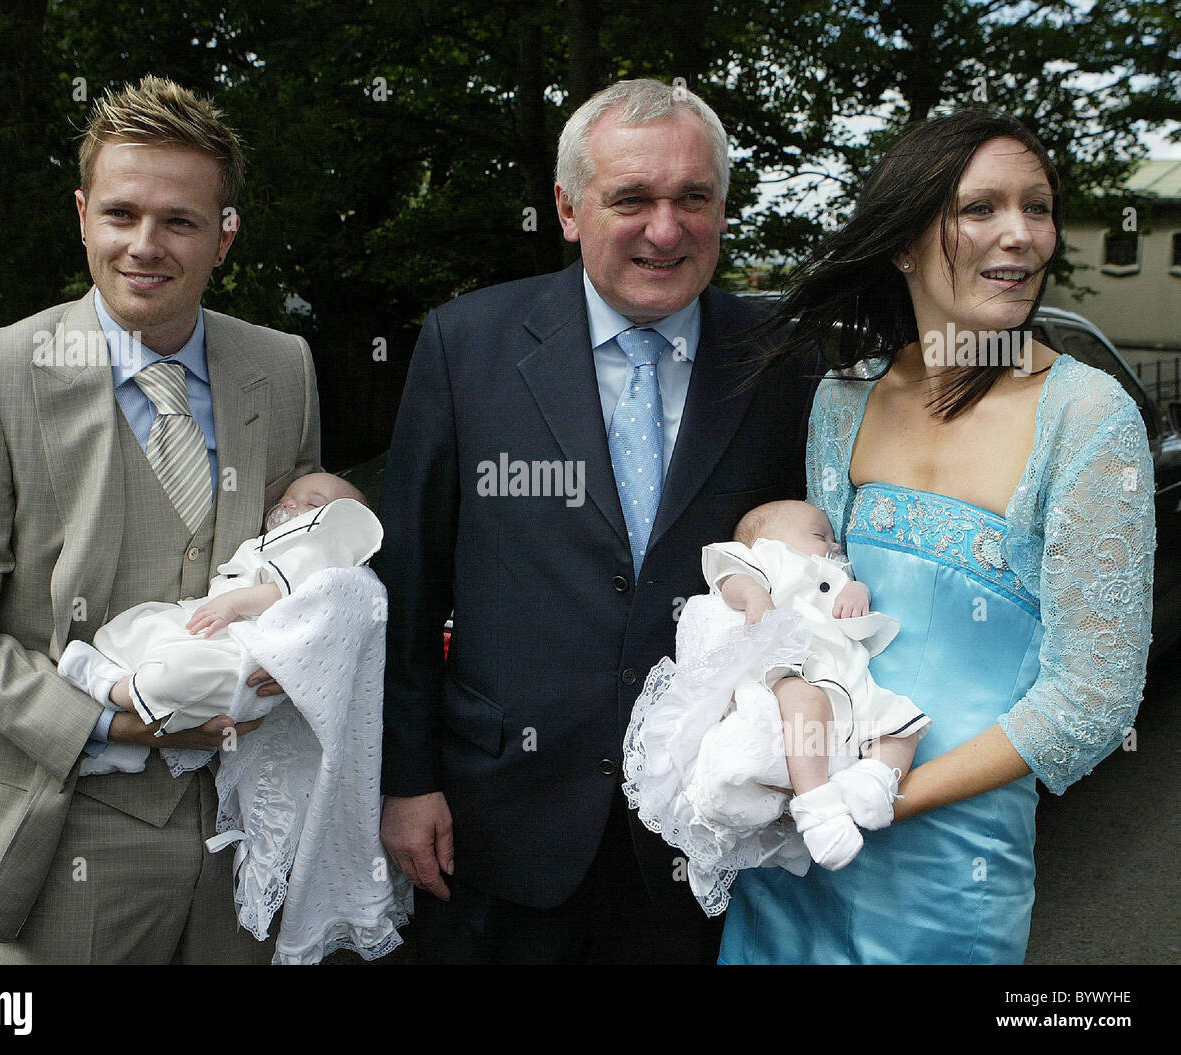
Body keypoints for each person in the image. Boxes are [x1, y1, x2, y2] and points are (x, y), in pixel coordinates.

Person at [375, 78, 816, 964]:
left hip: (704, 830)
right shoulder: (468, 346)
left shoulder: (784, 359)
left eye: (693, 197)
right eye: (632, 199)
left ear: (723, 209)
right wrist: (405, 780)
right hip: (498, 828)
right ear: (569, 209)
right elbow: (412, 585)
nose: (666, 227)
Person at [0, 75, 321, 963]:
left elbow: (304, 547)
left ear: (225, 236)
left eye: (181, 221)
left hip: (252, 823)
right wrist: (107, 723)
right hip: (73, 826)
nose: (144, 246)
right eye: (120, 214)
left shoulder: (283, 366)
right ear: (83, 214)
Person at [717, 110, 1154, 964]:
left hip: (948, 870)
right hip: (797, 847)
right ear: (903, 242)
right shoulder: (843, 401)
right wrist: (795, 775)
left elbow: (1093, 698)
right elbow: (817, 613)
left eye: (1037, 207)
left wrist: (879, 796)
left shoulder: (1087, 417)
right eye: (980, 208)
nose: (1020, 235)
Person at [623, 499, 929, 910]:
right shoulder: (768, 559)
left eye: (834, 539)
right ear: (767, 539)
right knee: (806, 701)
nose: (833, 545)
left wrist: (856, 590)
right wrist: (752, 594)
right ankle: (817, 807)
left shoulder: (839, 574)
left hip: (849, 681)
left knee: (904, 723)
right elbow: (726, 574)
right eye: (820, 535)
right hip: (789, 669)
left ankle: (871, 781)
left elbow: (858, 626)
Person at [57, 473, 380, 775]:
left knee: (178, 678)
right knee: (140, 627)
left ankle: (106, 686)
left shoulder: (322, 550)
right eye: (285, 498)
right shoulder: (270, 544)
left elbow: (286, 592)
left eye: (311, 503)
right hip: (214, 623)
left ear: (342, 524)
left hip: (243, 645)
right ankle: (125, 740)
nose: (289, 505)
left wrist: (235, 602)